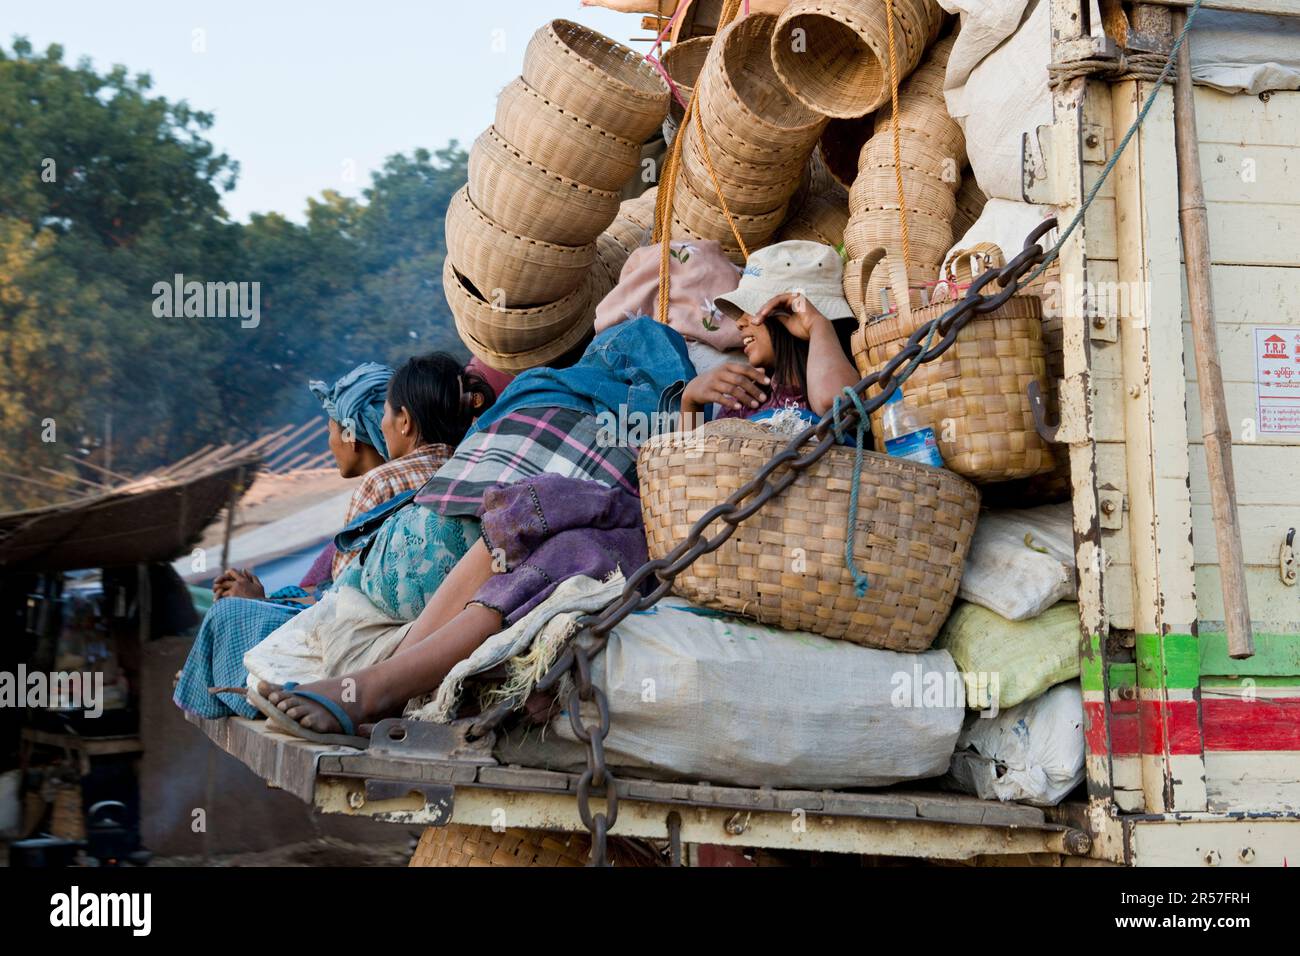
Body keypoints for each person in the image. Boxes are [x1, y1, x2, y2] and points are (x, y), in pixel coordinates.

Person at [241, 317, 699, 744]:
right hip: (522, 543)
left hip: (556, 549)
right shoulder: (641, 428)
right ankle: (377, 689)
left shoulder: (544, 392)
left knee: (526, 545)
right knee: (514, 537)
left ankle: (378, 690)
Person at [173, 354, 492, 719]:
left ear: (403, 421)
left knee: (230, 615)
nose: (329, 441)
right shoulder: (474, 472)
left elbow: (340, 600)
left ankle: (218, 685)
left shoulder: (382, 482)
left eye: (330, 430)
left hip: (373, 639)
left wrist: (263, 603)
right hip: (435, 634)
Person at [680, 241, 861, 430]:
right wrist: (690, 402)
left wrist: (817, 324)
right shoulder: (747, 397)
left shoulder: (845, 380)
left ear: (789, 310)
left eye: (750, 308)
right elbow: (694, 450)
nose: (739, 323)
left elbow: (834, 406)